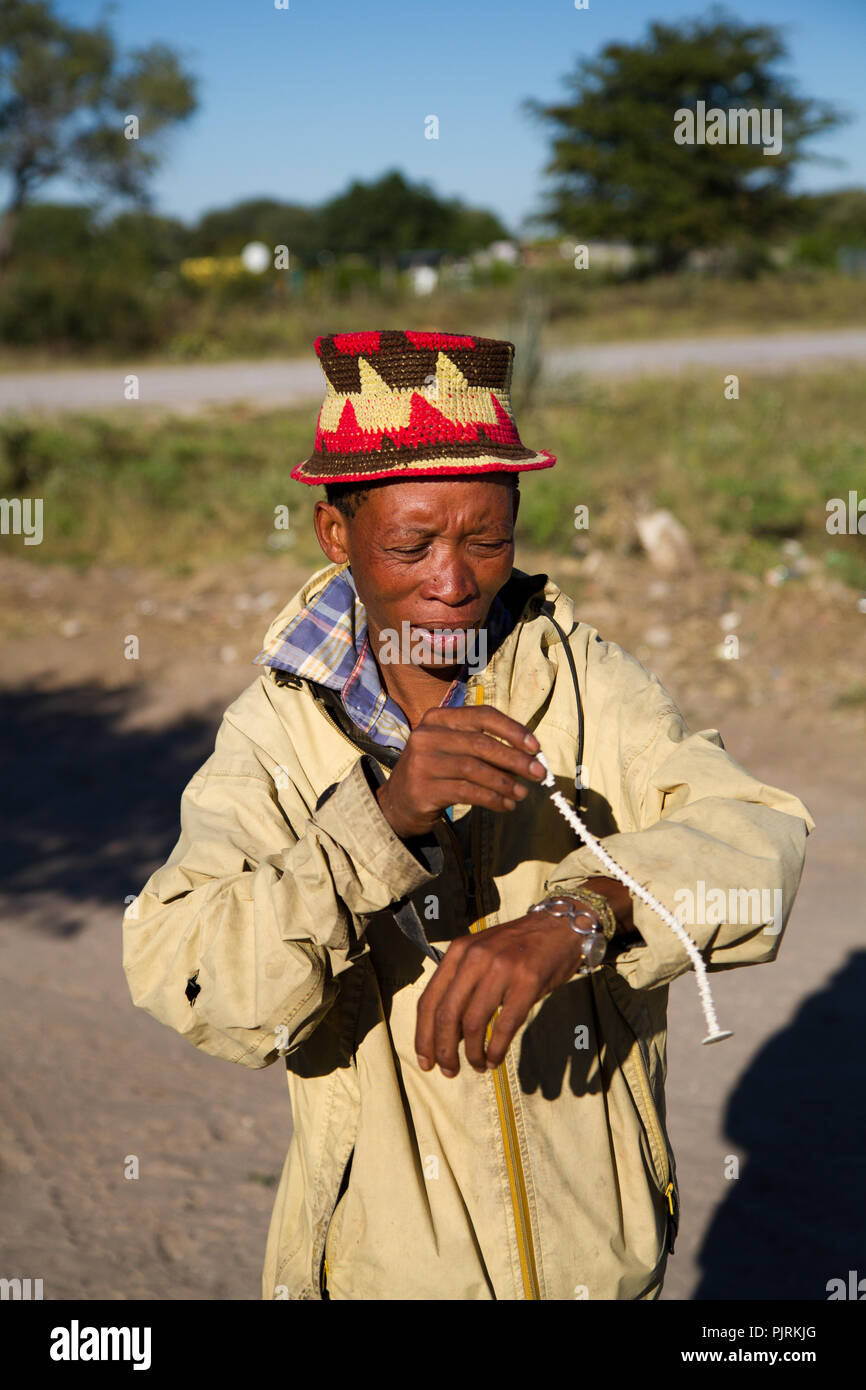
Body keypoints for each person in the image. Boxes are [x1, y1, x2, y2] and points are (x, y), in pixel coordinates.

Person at [122, 329, 814, 1301]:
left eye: (485, 539)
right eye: (410, 543)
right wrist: (379, 819)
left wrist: (582, 914)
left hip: (596, 1273)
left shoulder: (578, 679)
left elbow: (760, 839)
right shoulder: (278, 731)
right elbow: (188, 972)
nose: (452, 582)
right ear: (336, 535)